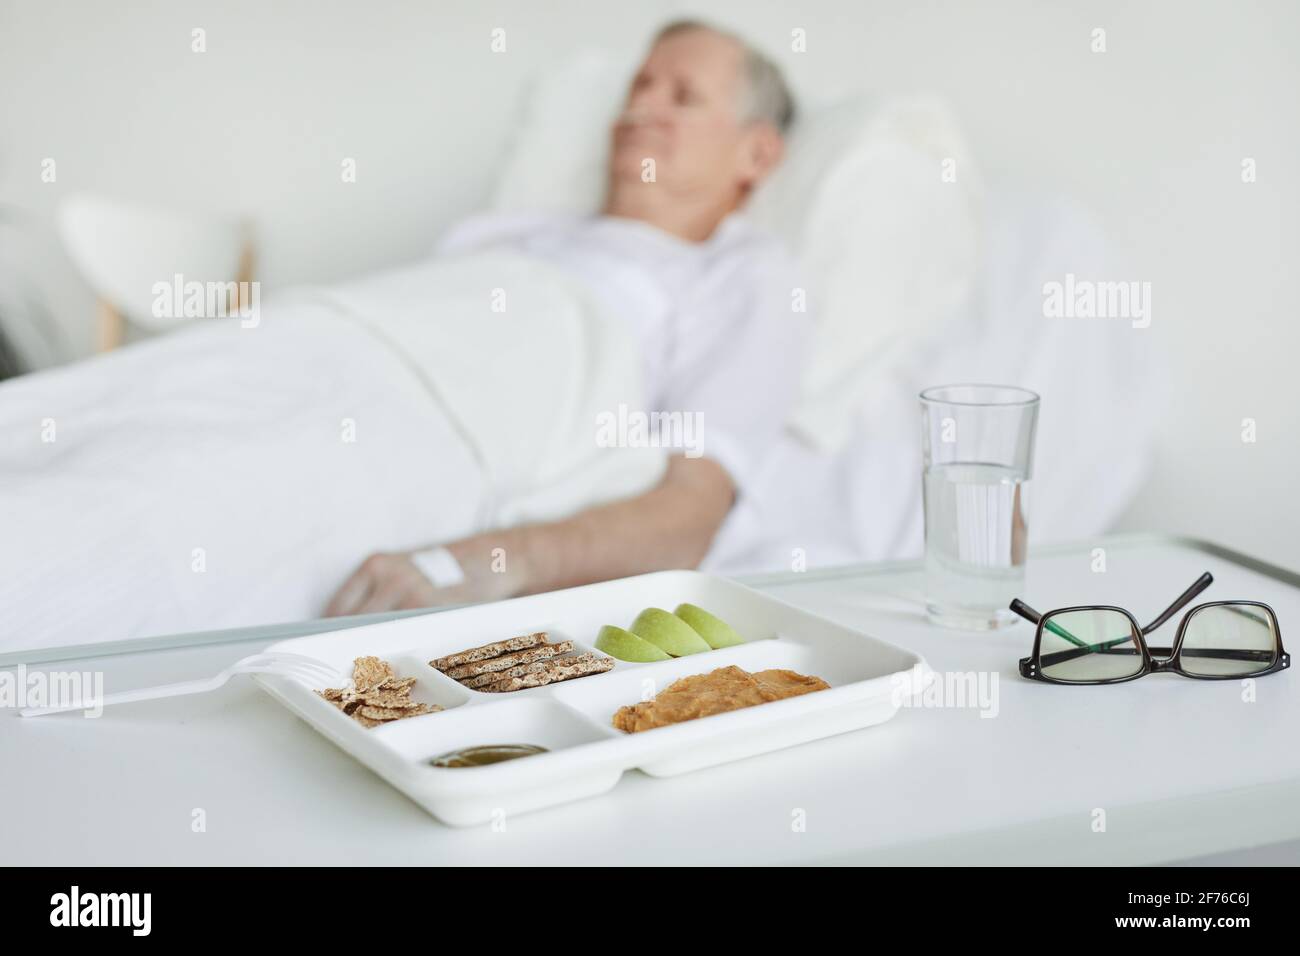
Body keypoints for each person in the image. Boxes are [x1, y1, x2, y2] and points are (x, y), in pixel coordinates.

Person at [0, 20, 808, 647]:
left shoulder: (744, 274)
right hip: (301, 337)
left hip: (431, 426)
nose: (638, 110)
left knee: (127, 516)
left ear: (756, 152)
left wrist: (494, 560)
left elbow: (690, 513)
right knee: (56, 417)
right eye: (639, 86)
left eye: (682, 96)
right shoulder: (507, 234)